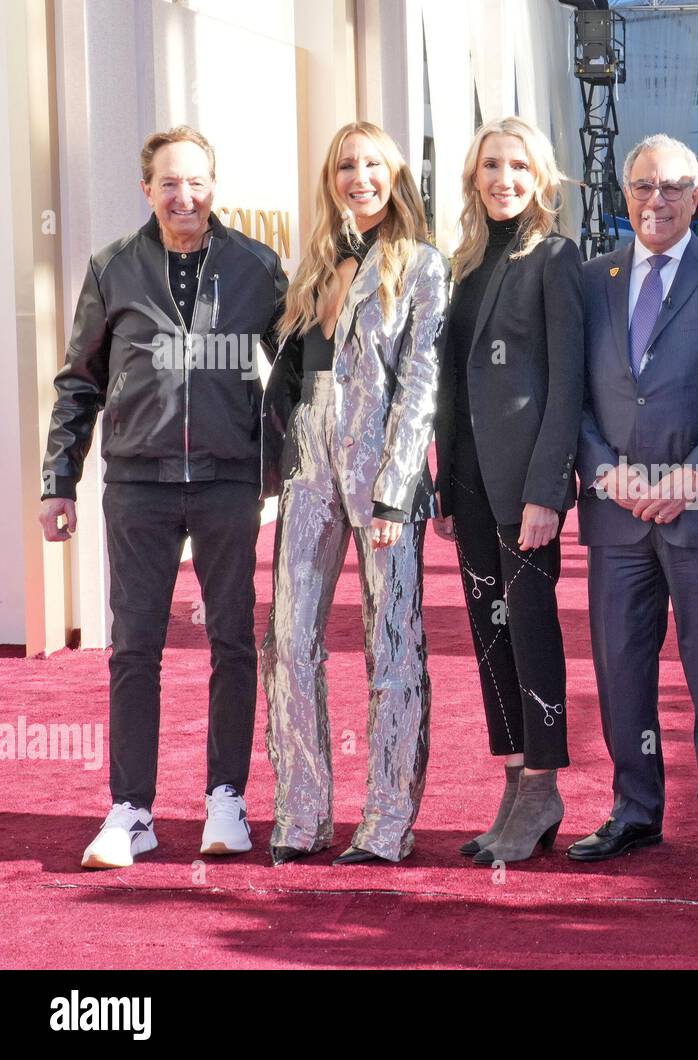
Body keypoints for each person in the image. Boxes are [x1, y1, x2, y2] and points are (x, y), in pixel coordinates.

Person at [39, 126, 289, 869]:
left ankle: (226, 800)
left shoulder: (257, 268)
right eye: (170, 183)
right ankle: (131, 811)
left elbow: (297, 377)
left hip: (227, 482)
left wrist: (282, 472)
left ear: (217, 185)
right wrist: (59, 480)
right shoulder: (114, 267)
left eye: (198, 181)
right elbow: (79, 380)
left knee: (234, 642)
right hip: (137, 486)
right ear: (146, 189)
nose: (185, 196)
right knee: (134, 649)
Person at [567, 134, 698, 873]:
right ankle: (634, 809)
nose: (658, 199)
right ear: (625, 193)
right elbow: (573, 394)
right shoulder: (591, 280)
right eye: (645, 185)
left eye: (674, 186)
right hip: (616, 512)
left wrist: (691, 478)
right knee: (622, 667)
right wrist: (607, 473)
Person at [260, 121, 447, 866]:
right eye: (346, 165)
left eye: (373, 164)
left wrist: (398, 490)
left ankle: (387, 821)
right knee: (289, 637)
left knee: (392, 641)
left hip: (380, 464)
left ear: (395, 176)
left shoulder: (421, 265)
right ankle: (302, 814)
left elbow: (422, 383)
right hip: (309, 449)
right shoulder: (316, 264)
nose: (359, 177)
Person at [433, 117, 583, 865]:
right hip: (467, 482)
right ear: (473, 176)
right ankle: (516, 779)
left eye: (518, 166)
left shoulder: (554, 258)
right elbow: (452, 384)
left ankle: (545, 784)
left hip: (526, 487)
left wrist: (548, 491)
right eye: (491, 165)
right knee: (491, 639)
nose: (504, 179)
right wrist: (443, 484)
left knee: (531, 632)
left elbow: (567, 384)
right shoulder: (463, 263)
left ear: (541, 178)